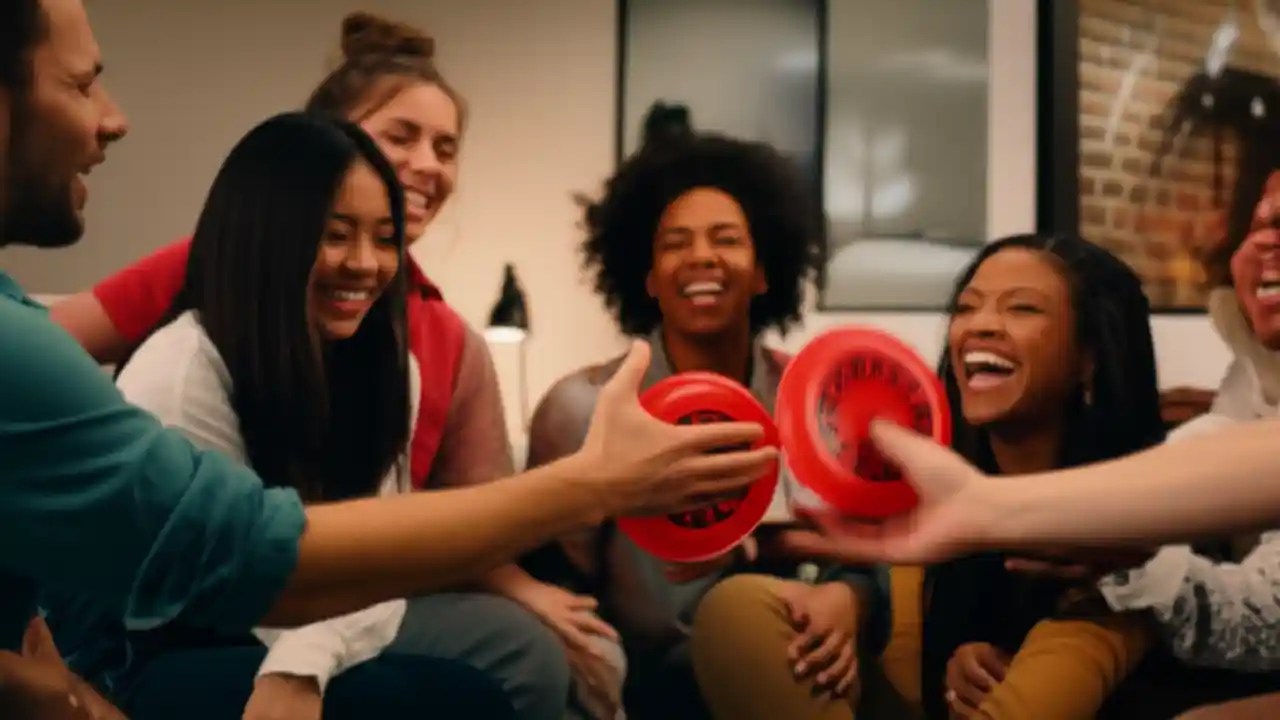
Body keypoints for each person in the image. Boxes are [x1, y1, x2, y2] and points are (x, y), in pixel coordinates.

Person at [0, 0, 773, 715]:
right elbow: (234, 556)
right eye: (81, 84)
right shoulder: (175, 341)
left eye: (384, 237)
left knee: (507, 672)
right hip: (178, 627)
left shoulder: (403, 346)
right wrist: (590, 486)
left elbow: (364, 541)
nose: (115, 120)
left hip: (323, 600)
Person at [523, 124, 885, 720]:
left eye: (726, 239)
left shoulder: (814, 399)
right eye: (675, 243)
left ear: (765, 271)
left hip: (793, 662)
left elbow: (866, 553)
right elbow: (560, 591)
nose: (702, 258)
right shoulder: (580, 407)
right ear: (646, 276)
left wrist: (848, 598)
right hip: (645, 685)